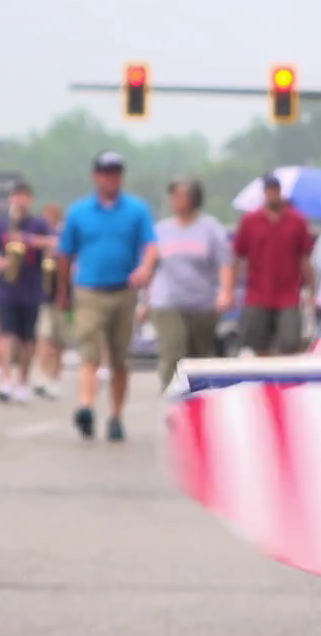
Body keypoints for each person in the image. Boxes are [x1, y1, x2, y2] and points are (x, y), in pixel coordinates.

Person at [60, 151, 156, 441]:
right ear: (95, 176)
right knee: (89, 351)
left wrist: (145, 268)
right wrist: (61, 292)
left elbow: (151, 246)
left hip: (123, 290)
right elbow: (65, 253)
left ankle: (116, 415)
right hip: (90, 290)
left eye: (115, 173)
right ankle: (86, 405)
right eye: (105, 173)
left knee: (119, 358)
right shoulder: (79, 212)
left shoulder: (137, 210)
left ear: (121, 177)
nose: (110, 178)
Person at [146, 176, 232, 391]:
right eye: (173, 196)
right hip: (167, 300)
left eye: (182, 195)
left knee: (200, 358)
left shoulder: (210, 228)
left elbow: (225, 263)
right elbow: (151, 265)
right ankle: (171, 400)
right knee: (172, 352)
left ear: (195, 198)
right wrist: (144, 299)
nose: (177, 200)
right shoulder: (162, 230)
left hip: (201, 302)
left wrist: (226, 292)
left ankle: (198, 403)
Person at [0, 181, 56, 404]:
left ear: (30, 200)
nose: (20, 201)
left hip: (31, 288)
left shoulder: (38, 224)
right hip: (5, 288)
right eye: (17, 196)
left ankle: (22, 381)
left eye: (25, 197)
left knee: (27, 339)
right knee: (6, 334)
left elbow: (55, 243)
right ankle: (6, 380)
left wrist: (30, 240)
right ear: (11, 199)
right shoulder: (2, 225)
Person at [231, 175, 313, 356]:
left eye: (276, 191)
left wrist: (311, 291)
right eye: (269, 191)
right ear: (264, 193)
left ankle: (285, 381)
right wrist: (231, 289)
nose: (273, 195)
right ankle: (264, 381)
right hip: (258, 293)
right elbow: (238, 256)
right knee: (258, 343)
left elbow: (304, 258)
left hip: (288, 293)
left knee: (290, 342)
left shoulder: (297, 222)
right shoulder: (250, 221)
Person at [32, 201, 69, 399]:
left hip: (64, 296)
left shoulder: (64, 234)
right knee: (44, 335)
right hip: (44, 296)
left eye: (52, 215)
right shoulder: (41, 235)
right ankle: (41, 375)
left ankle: (56, 377)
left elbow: (68, 250)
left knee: (60, 341)